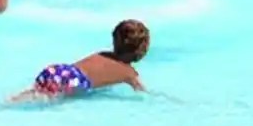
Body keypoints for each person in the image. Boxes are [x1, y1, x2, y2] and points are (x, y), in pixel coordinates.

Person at [10, 20, 150, 102]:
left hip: (60, 70)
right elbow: (141, 92)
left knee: (33, 94)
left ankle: (9, 101)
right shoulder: (130, 73)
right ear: (141, 51)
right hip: (75, 80)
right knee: (41, 98)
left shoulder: (103, 54)